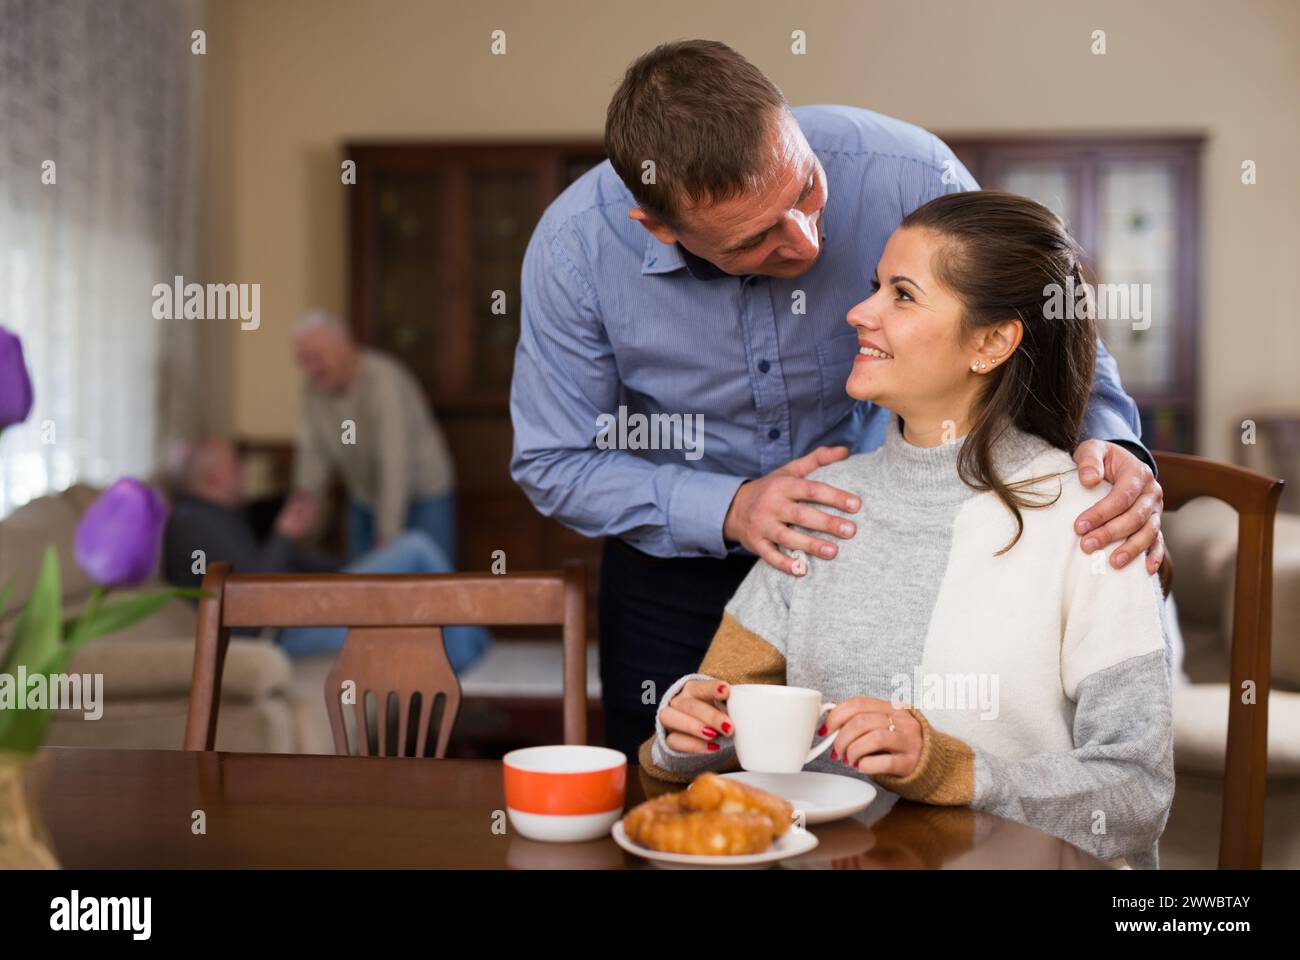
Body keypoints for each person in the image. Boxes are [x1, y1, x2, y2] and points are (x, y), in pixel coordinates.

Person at [510, 40, 1168, 761]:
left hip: (873, 544)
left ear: (787, 124)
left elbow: (1040, 314)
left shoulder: (908, 172)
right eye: (755, 239)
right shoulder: (574, 250)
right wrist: (730, 507)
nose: (805, 240)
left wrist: (1113, 448)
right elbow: (553, 458)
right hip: (675, 568)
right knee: (680, 782)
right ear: (661, 230)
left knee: (878, 776)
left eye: (806, 191)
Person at [640, 191, 1175, 869]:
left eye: (903, 295)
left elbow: (1137, 793)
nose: (858, 313)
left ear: (992, 342)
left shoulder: (1095, 520)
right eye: (873, 288)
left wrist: (947, 767)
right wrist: (685, 732)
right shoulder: (823, 503)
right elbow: (717, 715)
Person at [163, 438, 489, 669]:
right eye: (236, 465)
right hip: (279, 635)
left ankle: (468, 655)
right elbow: (253, 599)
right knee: (416, 548)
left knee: (410, 558)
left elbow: (289, 563)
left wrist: (360, 563)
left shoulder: (219, 516)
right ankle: (471, 660)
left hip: (297, 616)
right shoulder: (193, 525)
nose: (243, 472)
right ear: (213, 477)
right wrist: (284, 534)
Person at [292, 309, 457, 563]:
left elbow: (395, 461)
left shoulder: (384, 380)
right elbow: (313, 454)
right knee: (364, 591)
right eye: (303, 360)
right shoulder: (315, 391)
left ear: (344, 346)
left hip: (422, 494)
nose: (309, 369)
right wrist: (305, 507)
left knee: (431, 588)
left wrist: (387, 533)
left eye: (315, 357)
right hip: (365, 497)